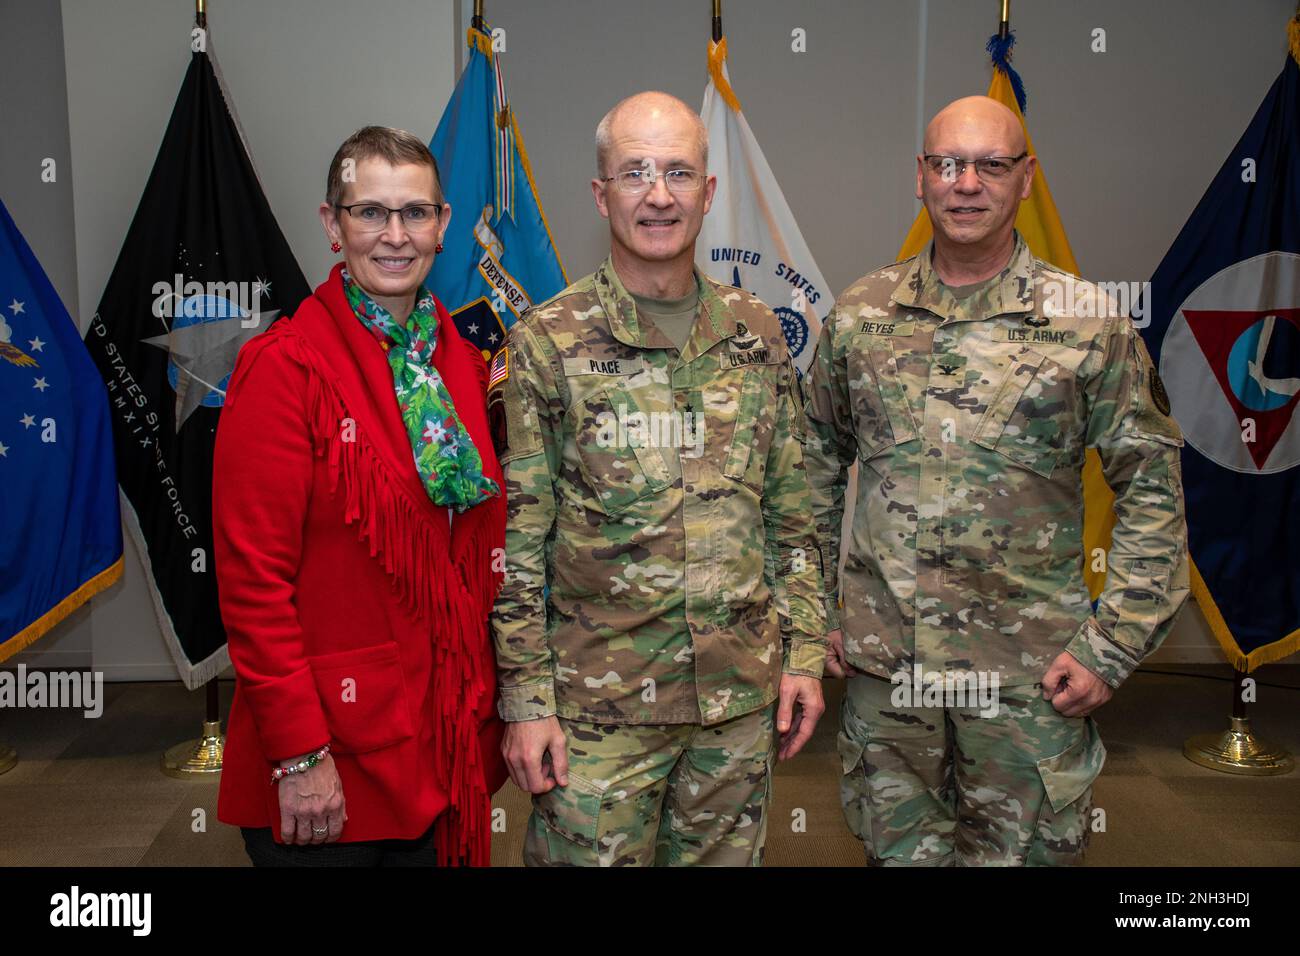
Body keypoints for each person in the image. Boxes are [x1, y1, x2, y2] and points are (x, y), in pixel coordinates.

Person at [803, 95, 1190, 866]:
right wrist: (813, 611)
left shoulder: (1089, 323)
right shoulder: (861, 315)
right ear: (921, 177)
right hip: (890, 674)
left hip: (1028, 680)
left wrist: (1112, 642)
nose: (967, 183)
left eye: (991, 164)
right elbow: (811, 465)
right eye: (947, 163)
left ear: (1026, 179)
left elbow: (1151, 483)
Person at [489, 91, 827, 867]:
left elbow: (791, 516)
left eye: (678, 173)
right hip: (598, 717)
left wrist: (804, 652)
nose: (658, 194)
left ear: (709, 194)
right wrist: (527, 702)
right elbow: (517, 545)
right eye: (635, 172)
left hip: (736, 711)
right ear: (600, 192)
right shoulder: (548, 342)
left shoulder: (756, 334)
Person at [213, 126, 507, 866]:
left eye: (415, 213)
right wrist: (298, 754)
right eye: (370, 212)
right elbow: (253, 584)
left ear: (444, 226)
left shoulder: (463, 366)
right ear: (331, 224)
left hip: (443, 743)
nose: (395, 235)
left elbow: (480, 551)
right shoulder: (285, 369)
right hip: (333, 756)